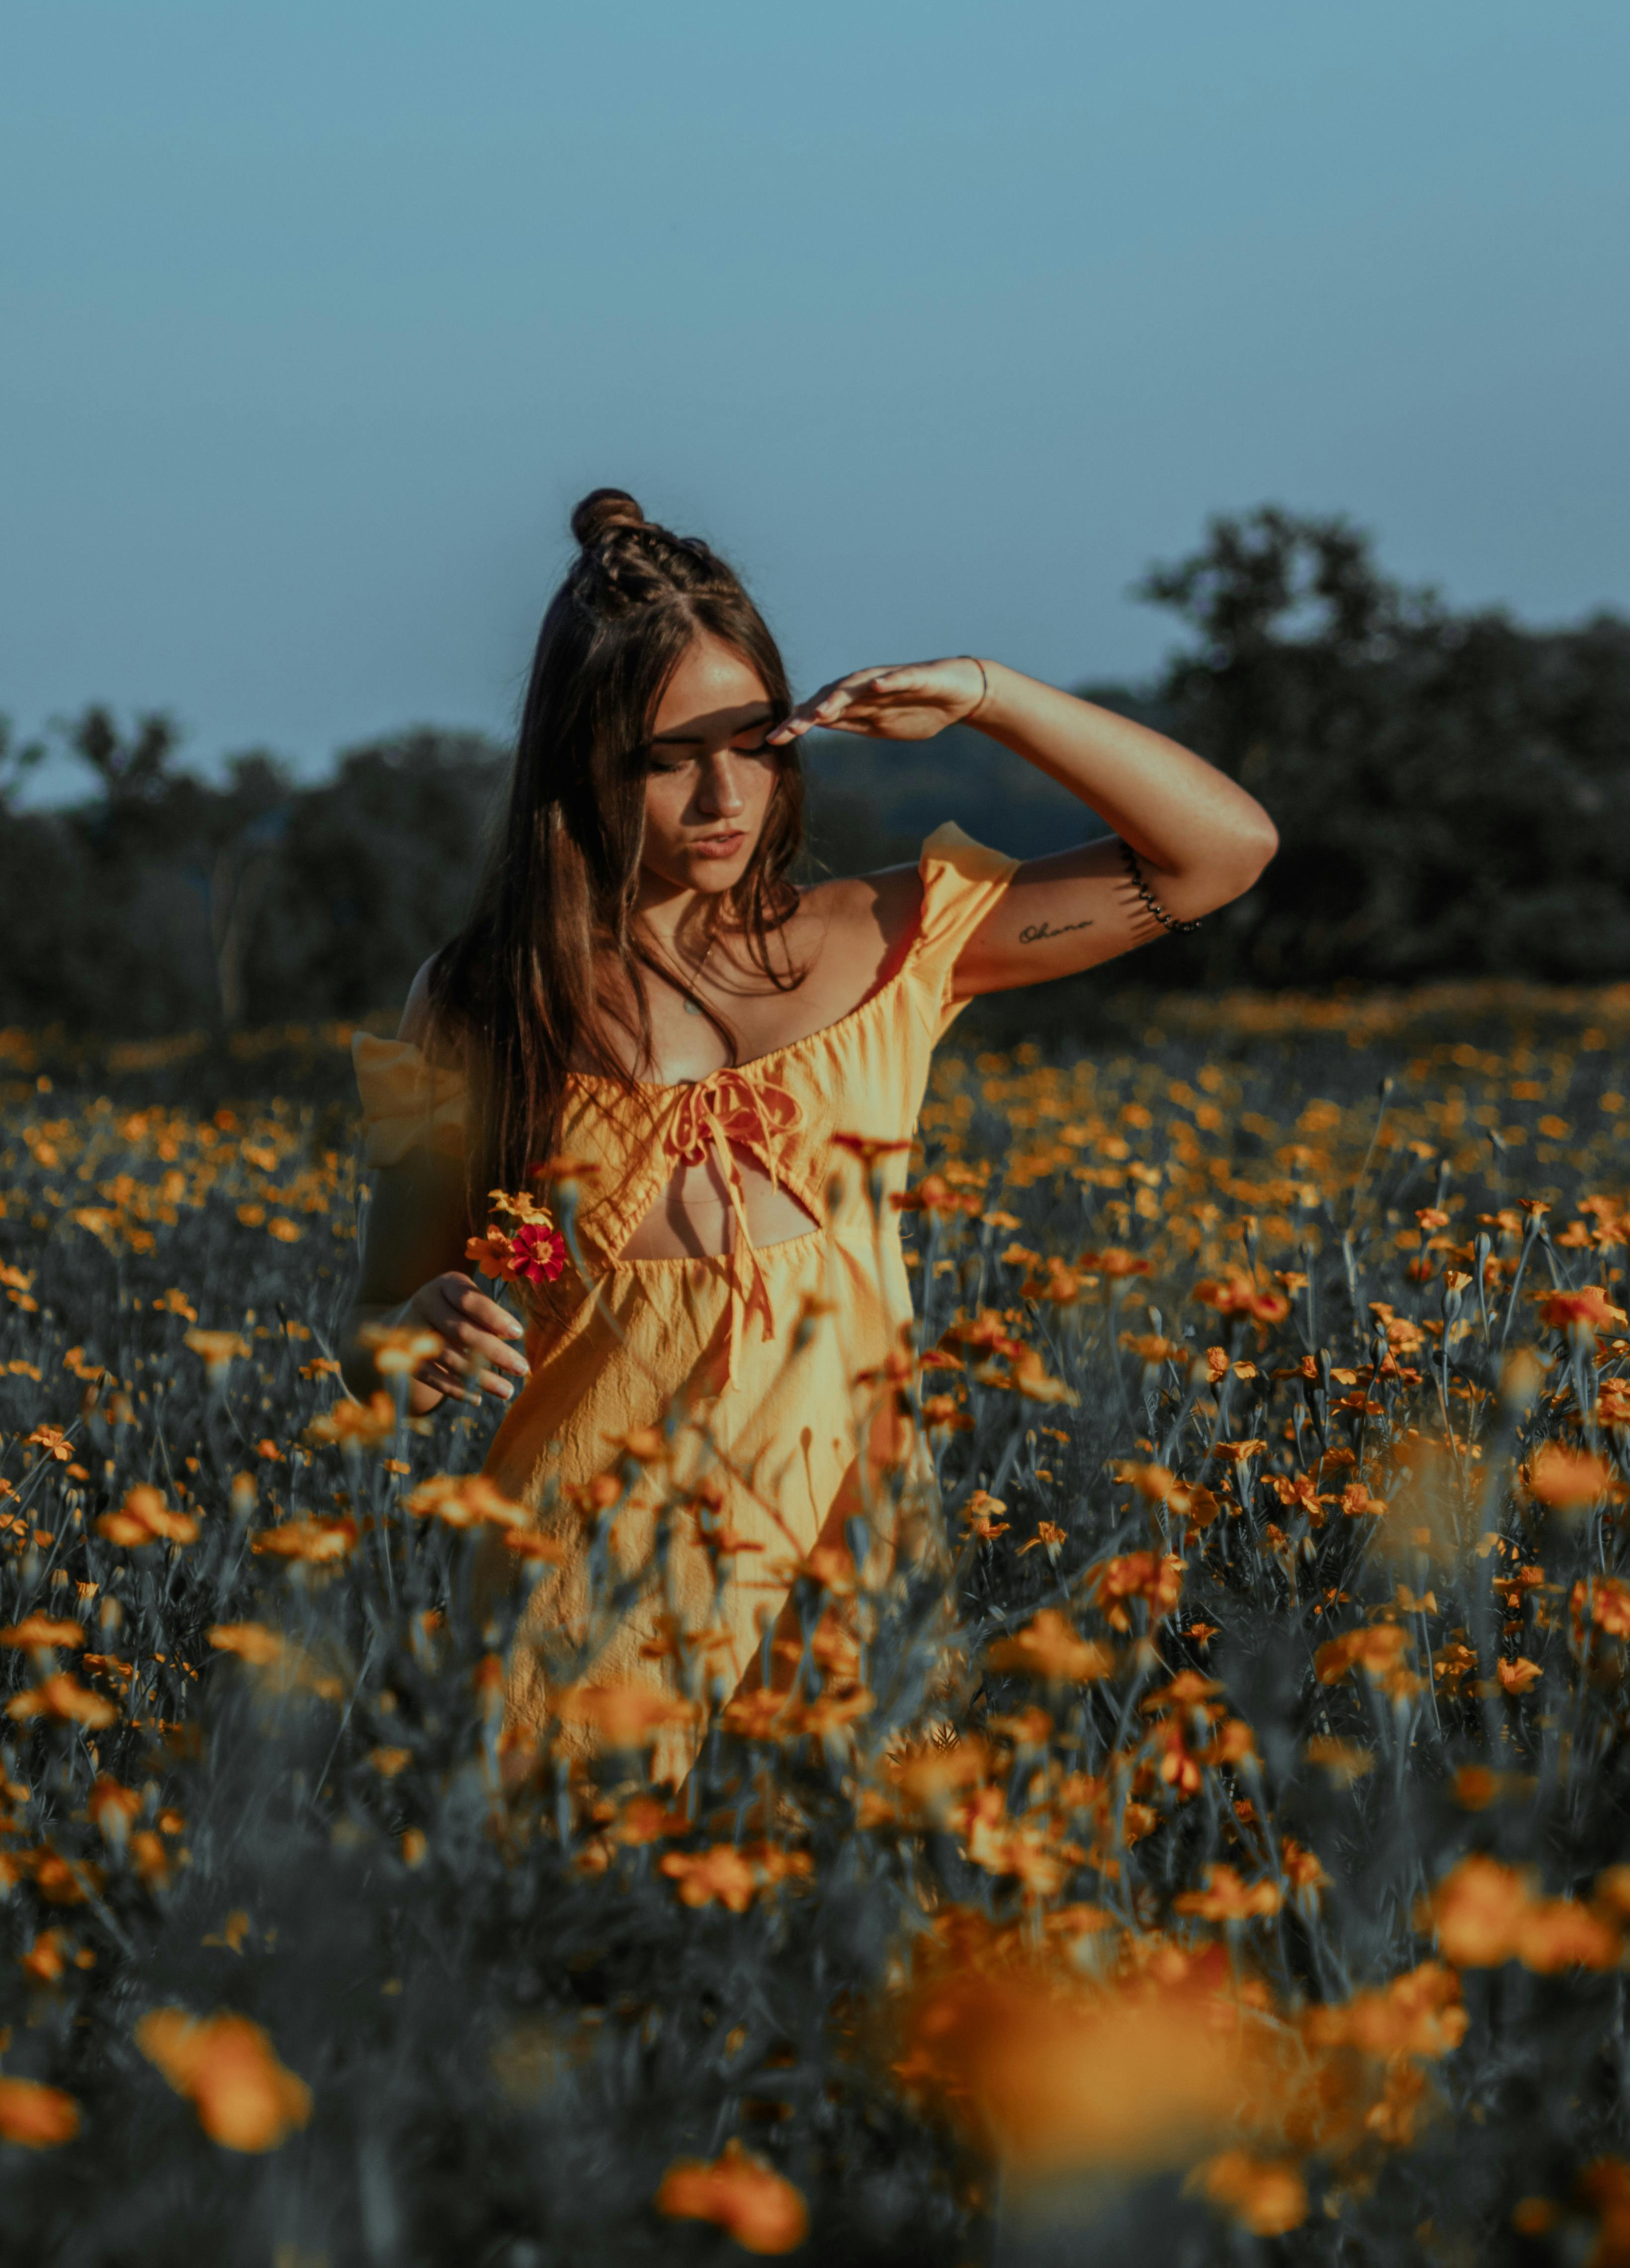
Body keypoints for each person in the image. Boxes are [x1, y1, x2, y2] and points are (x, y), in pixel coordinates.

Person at [348, 488, 1274, 1773]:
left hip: (852, 1607)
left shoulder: (890, 944)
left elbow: (1220, 851)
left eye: (756, 741)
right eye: (668, 759)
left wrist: (989, 693)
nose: (724, 796)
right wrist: (415, 1333)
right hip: (578, 1632)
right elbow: (379, 1321)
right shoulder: (483, 1000)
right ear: (580, 761)